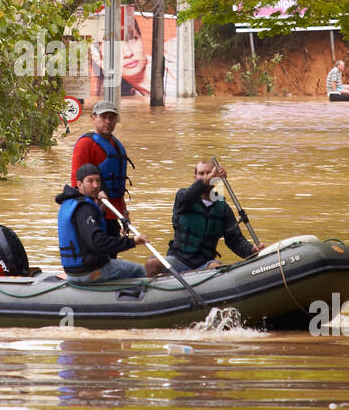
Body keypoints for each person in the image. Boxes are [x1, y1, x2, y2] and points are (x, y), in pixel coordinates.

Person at [146, 159, 264, 274]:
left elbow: (235, 240)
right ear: (195, 178)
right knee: (152, 263)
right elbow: (187, 197)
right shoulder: (182, 196)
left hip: (205, 263)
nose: (206, 176)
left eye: (209, 173)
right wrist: (208, 179)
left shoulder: (223, 208)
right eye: (201, 174)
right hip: (178, 260)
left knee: (217, 268)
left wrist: (251, 250)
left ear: (216, 179)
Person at [55, 164, 155, 283]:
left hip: (72, 272)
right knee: (140, 270)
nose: (96, 185)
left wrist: (99, 211)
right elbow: (98, 243)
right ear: (79, 184)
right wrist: (133, 242)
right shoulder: (85, 208)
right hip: (90, 272)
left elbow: (84, 234)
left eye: (98, 180)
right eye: (90, 181)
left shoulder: (69, 203)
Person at [70, 100, 134, 236]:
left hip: (113, 214)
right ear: (93, 118)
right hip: (95, 214)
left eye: (111, 118)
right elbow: (76, 182)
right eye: (103, 117)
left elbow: (119, 188)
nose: (108, 121)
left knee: (112, 254)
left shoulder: (116, 145)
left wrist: (125, 215)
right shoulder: (85, 144)